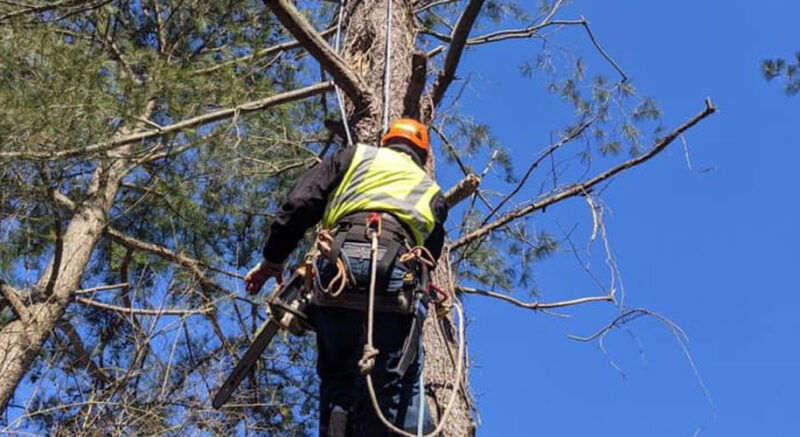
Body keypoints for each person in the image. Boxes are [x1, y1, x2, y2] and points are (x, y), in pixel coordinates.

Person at [244, 118, 448, 436]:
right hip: (397, 282)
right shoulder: (432, 191)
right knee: (400, 382)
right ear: (422, 154)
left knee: (338, 380)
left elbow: (301, 202)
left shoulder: (355, 156)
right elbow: (430, 258)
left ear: (386, 141)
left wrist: (273, 258)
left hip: (337, 269)